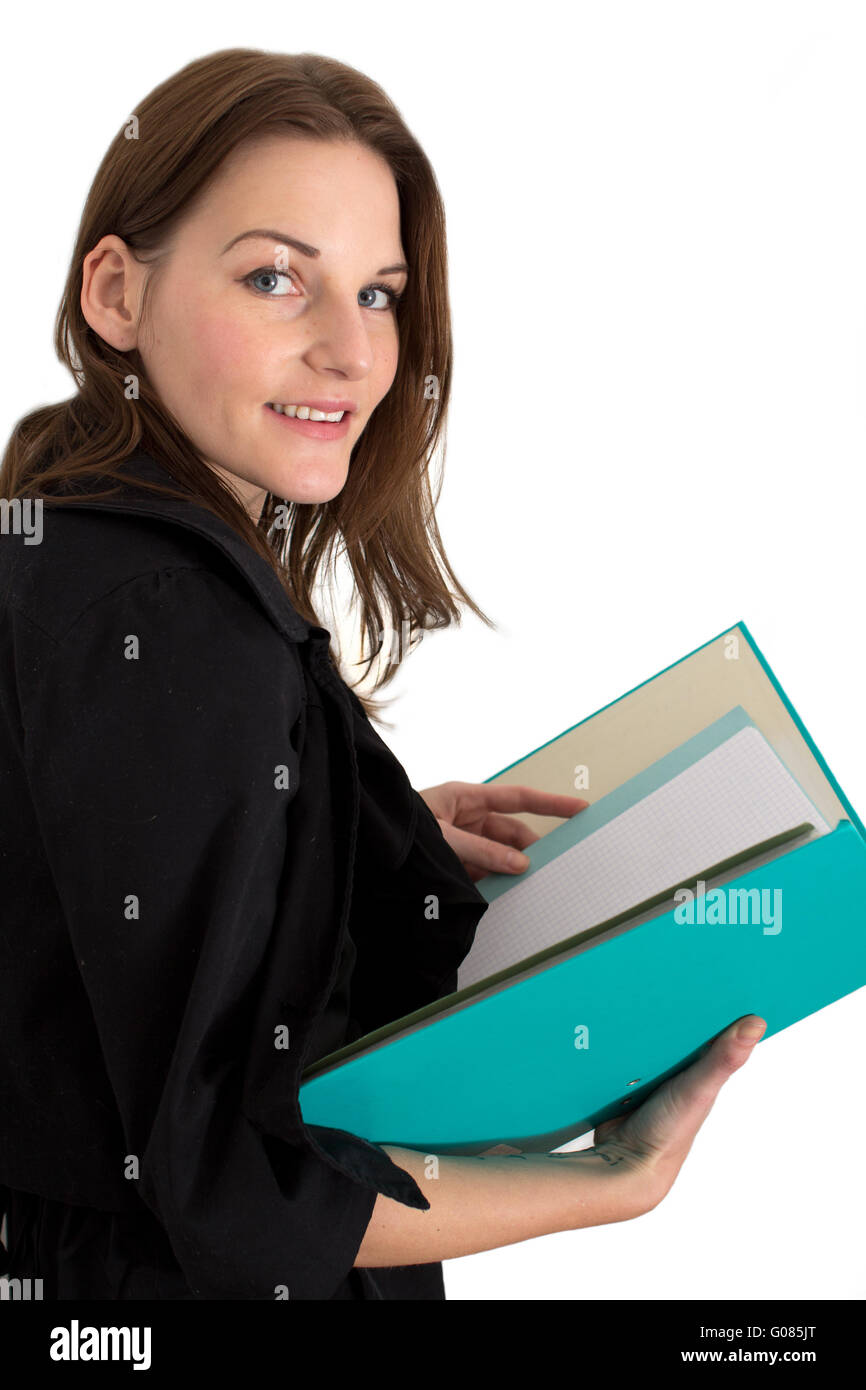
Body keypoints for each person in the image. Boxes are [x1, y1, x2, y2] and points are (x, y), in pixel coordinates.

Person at [0, 47, 766, 1301]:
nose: (352, 354)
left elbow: (84, 983)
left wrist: (333, 839)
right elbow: (240, 1182)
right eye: (272, 279)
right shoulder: (175, 622)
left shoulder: (64, 555)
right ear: (115, 293)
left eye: (377, 294)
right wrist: (603, 1182)